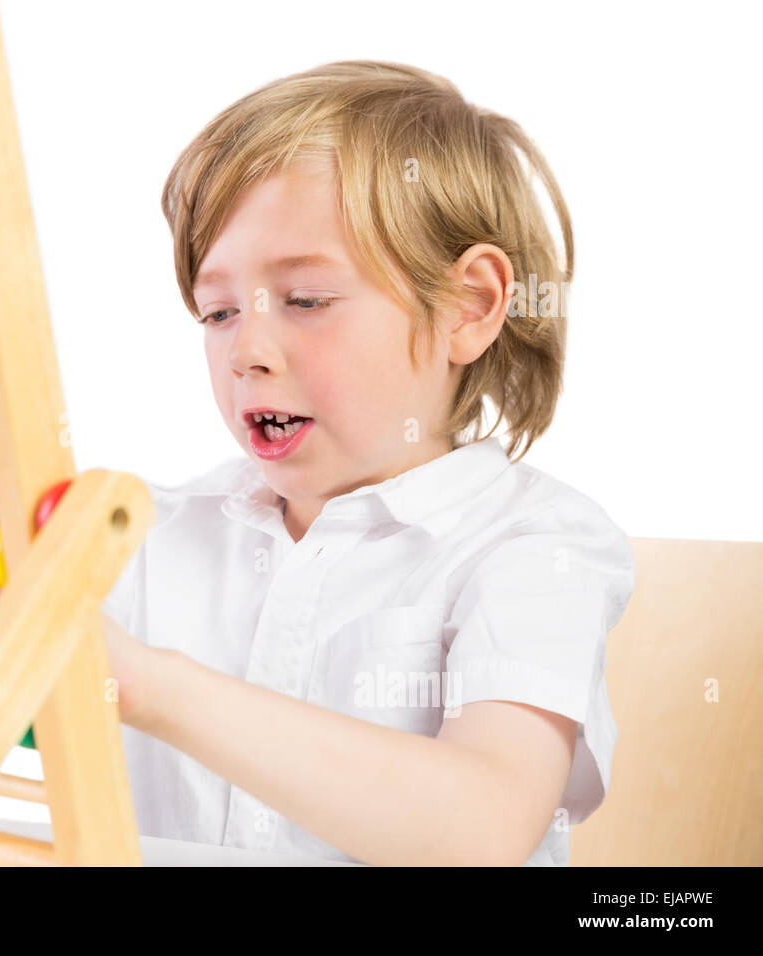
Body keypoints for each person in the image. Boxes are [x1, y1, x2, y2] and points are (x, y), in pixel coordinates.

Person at [96, 61, 635, 866]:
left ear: (470, 306)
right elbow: (27, 697)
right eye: (218, 311)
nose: (247, 351)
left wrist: (152, 686)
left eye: (307, 300)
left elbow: (484, 825)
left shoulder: (535, 549)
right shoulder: (150, 536)